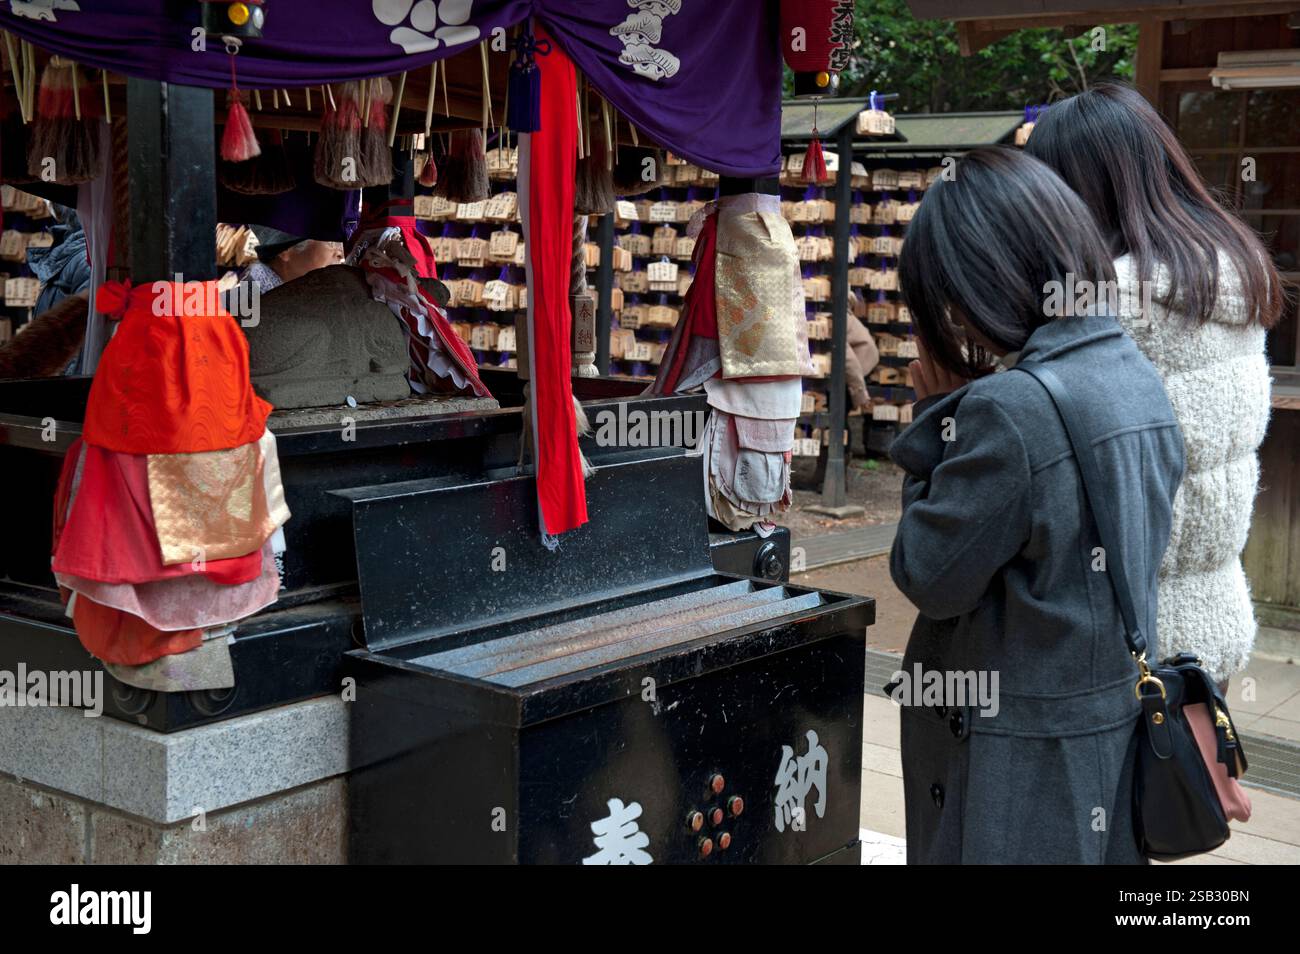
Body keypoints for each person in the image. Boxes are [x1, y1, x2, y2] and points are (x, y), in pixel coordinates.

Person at [888, 147, 1184, 864]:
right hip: (1101, 728)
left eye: (949, 299)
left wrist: (935, 417)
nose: (956, 323)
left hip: (1014, 759)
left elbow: (928, 572)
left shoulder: (1011, 410)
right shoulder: (1133, 371)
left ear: (983, 280)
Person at [1025, 84, 1283, 686]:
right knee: (1199, 749)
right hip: (1209, 620)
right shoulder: (1225, 278)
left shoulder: (1109, 307)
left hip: (1125, 639)